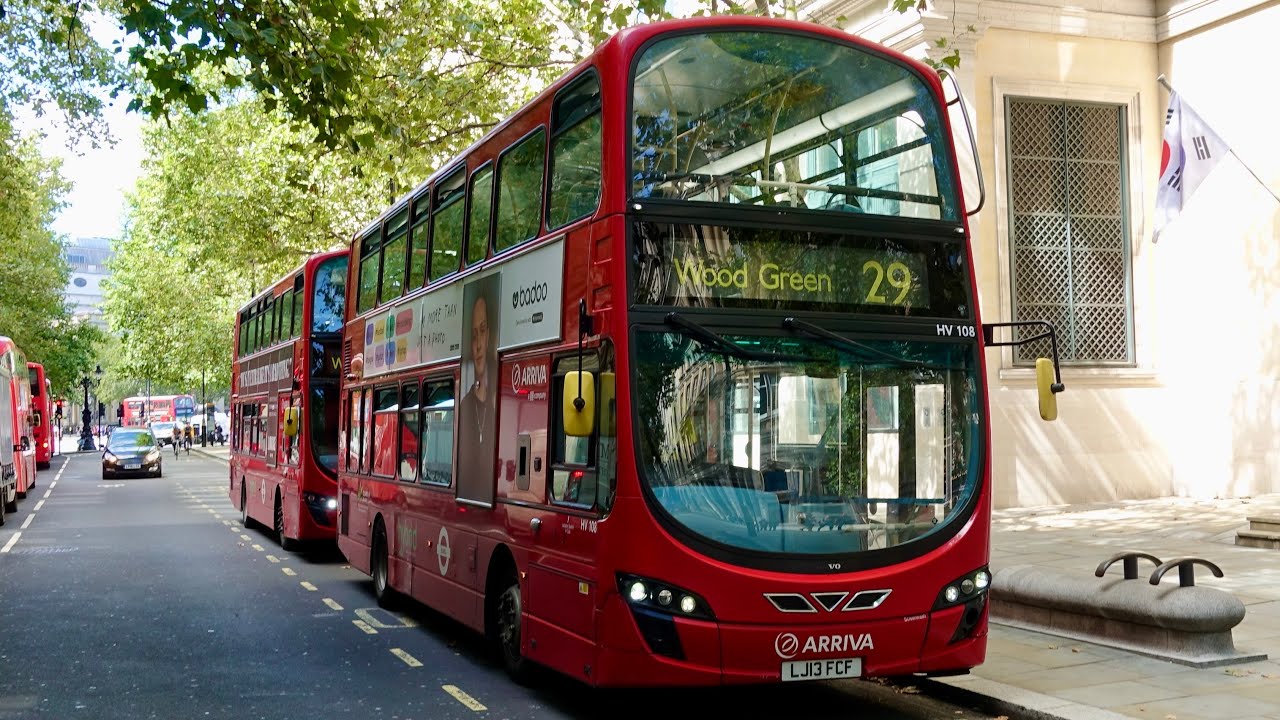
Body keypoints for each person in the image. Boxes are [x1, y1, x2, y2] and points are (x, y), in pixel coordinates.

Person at [457, 292, 496, 498]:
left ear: (488, 336)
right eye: (474, 336)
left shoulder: (496, 406)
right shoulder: (464, 406)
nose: (478, 344)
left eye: (482, 331)